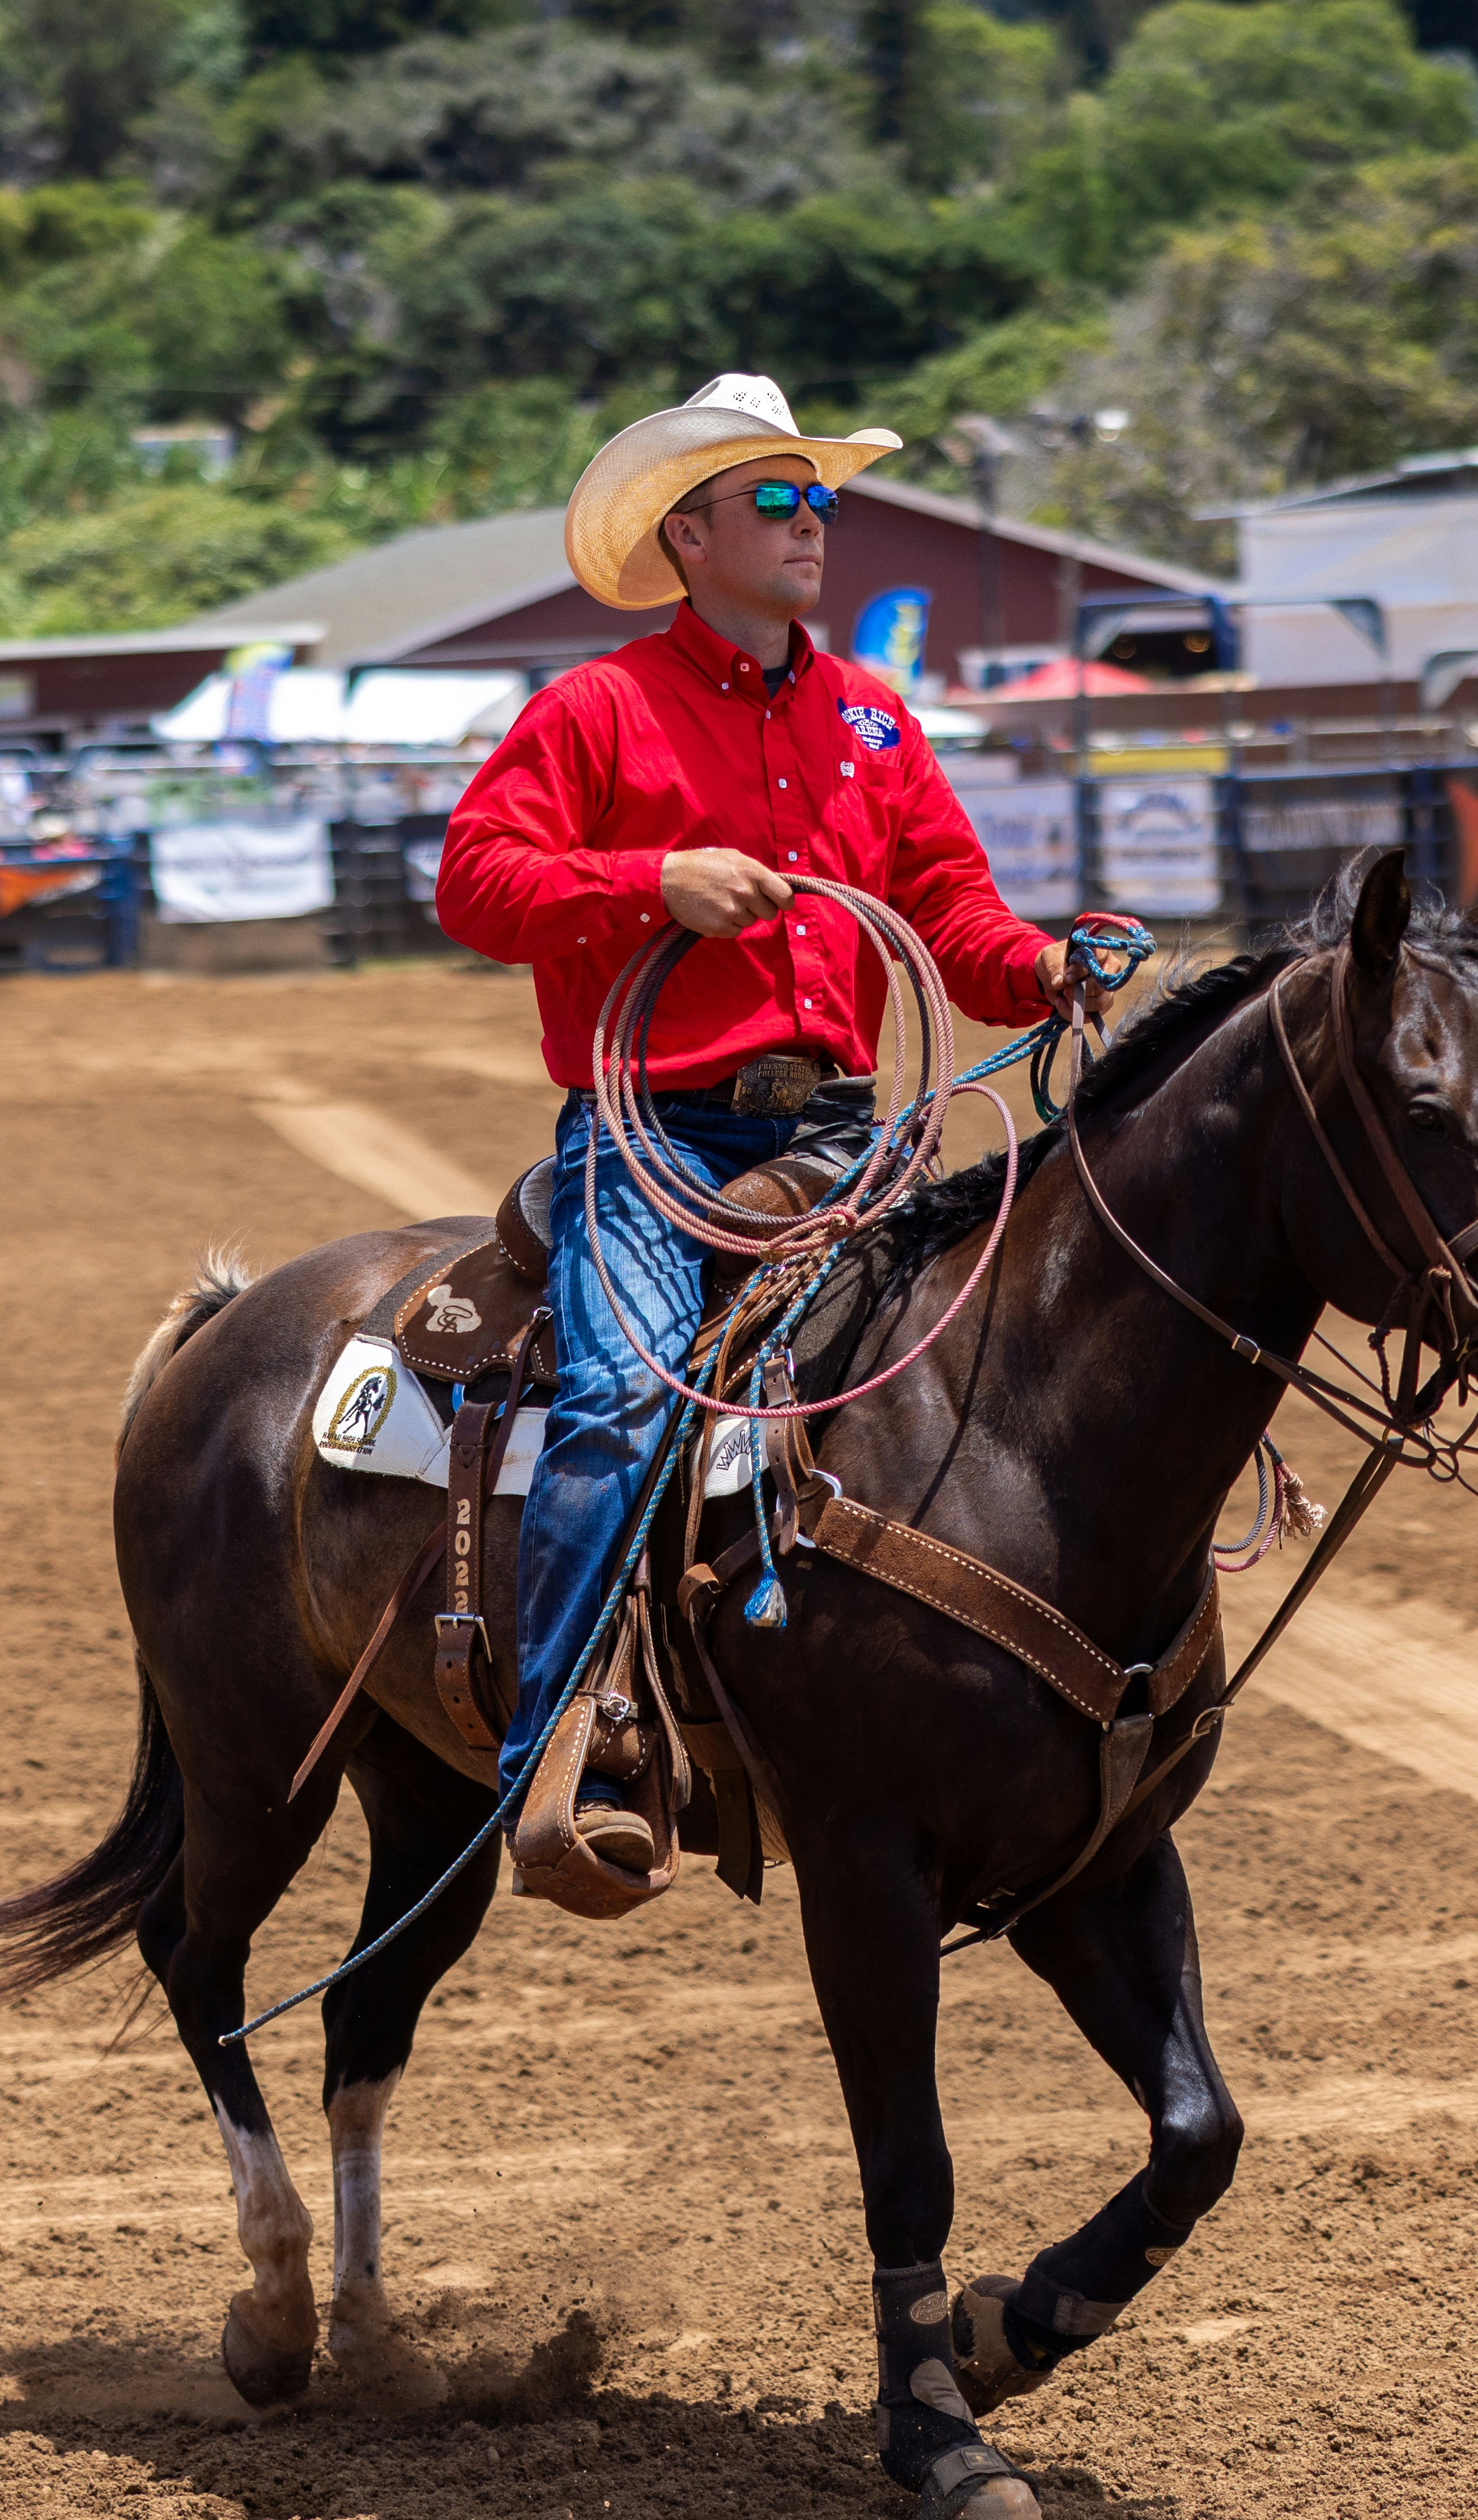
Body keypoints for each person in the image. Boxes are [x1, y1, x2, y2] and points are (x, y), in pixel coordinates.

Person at [434, 373, 1072, 1881]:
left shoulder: (870, 716)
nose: (812, 526)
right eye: (778, 500)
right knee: (624, 1398)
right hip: (657, 1133)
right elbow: (475, 883)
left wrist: (1045, 963)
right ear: (692, 534)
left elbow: (955, 918)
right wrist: (651, 883)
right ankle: (567, 1745)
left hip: (853, 1137)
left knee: (990, 1373)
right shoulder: (594, 712)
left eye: (819, 499)